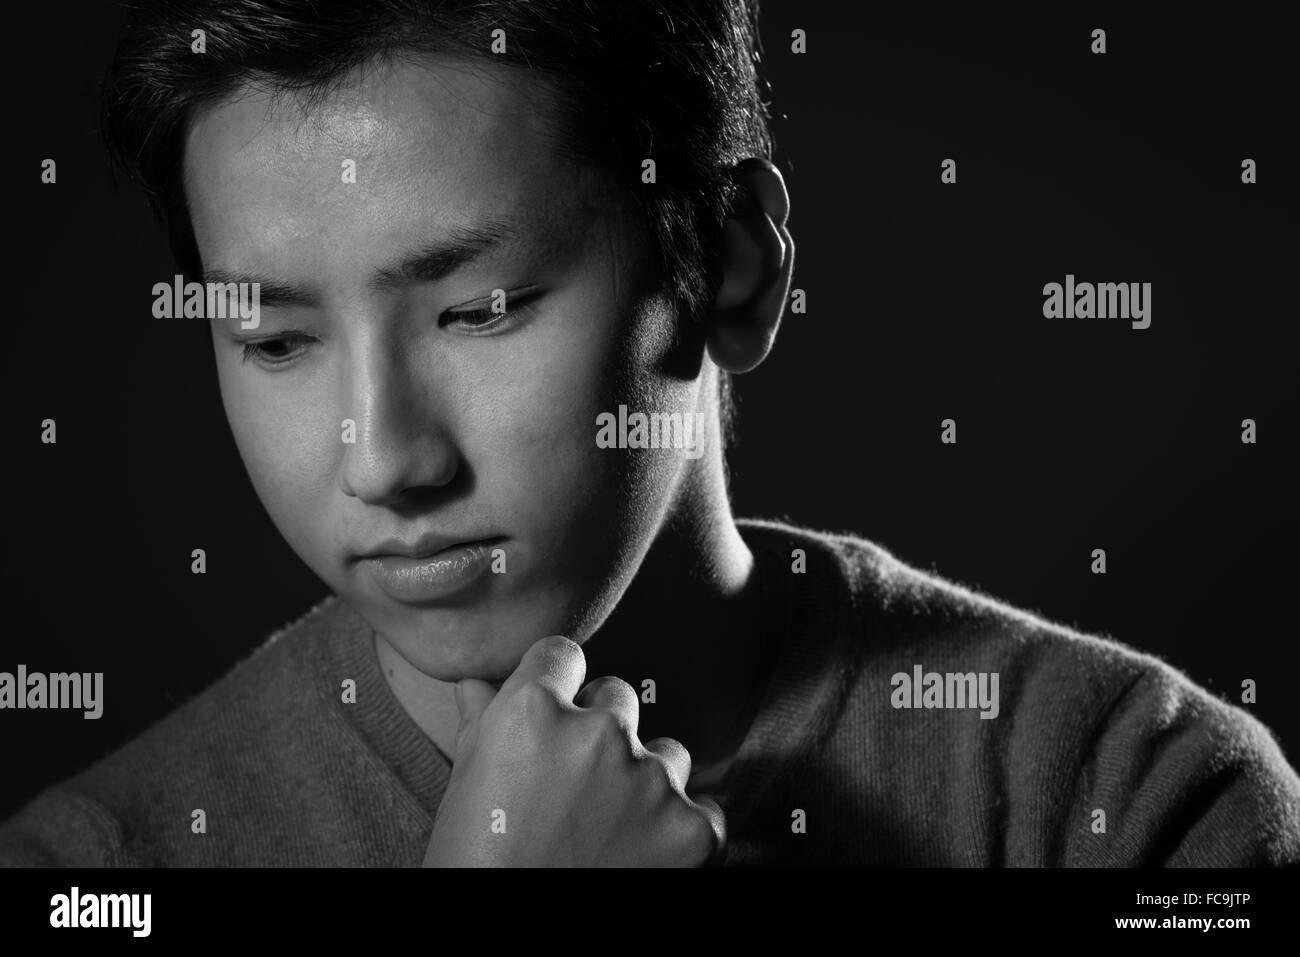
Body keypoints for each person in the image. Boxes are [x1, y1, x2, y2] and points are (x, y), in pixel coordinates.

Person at [2, 0, 1297, 867]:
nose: (384, 458)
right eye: (277, 338)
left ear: (732, 263)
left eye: (481, 308)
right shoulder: (92, 867)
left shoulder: (1130, 794)